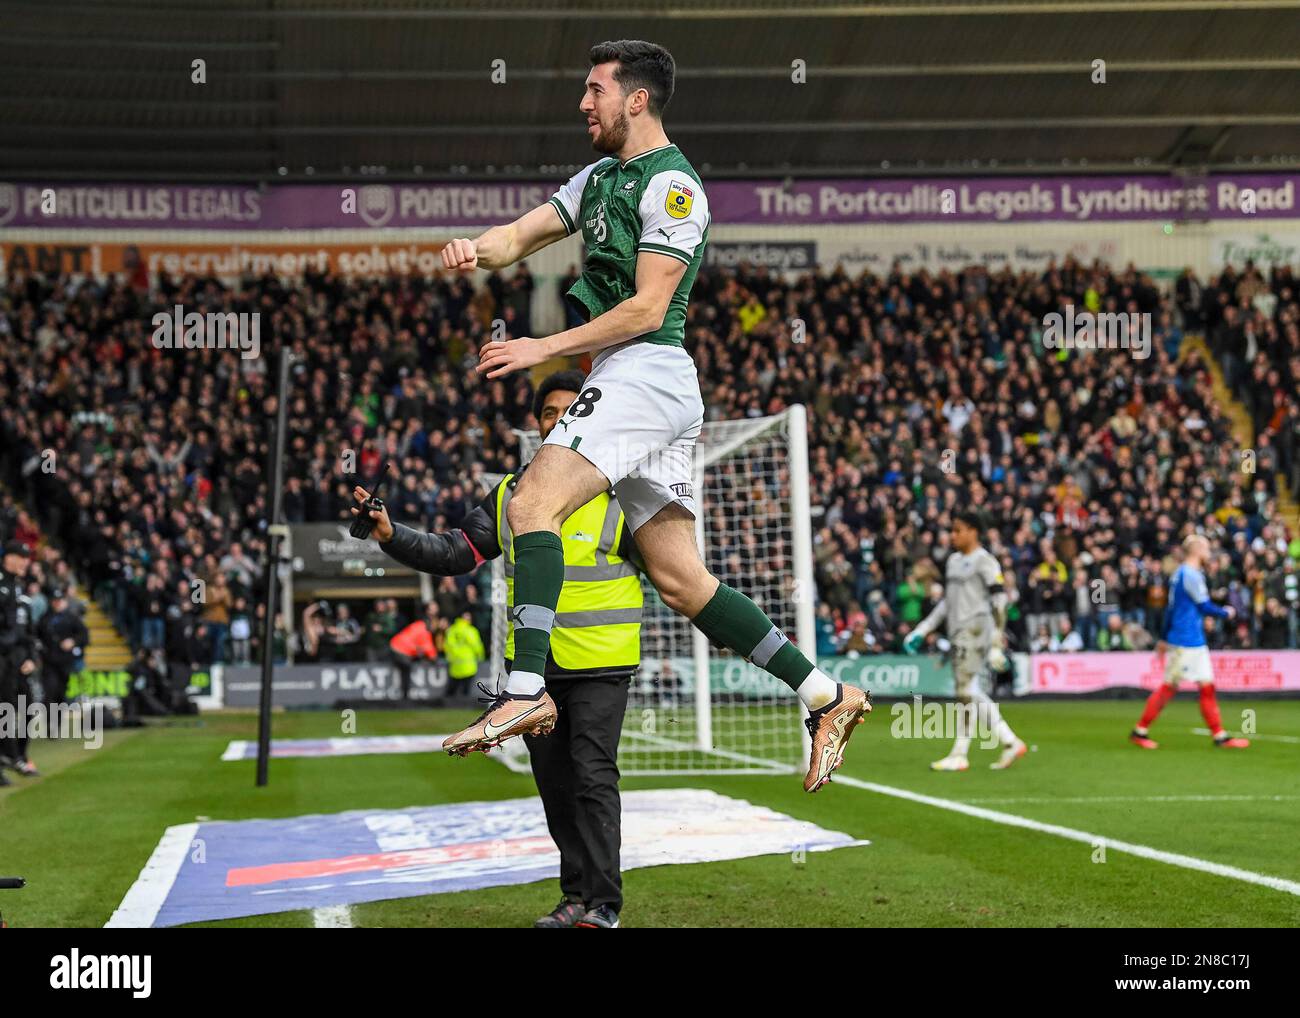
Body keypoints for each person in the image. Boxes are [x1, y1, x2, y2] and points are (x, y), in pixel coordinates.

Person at [437, 39, 869, 793]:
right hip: (643, 382)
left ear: (635, 99)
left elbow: (646, 307)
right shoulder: (600, 177)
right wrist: (475, 248)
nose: (583, 103)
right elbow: (520, 235)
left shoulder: (674, 187)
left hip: (645, 368)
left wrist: (543, 347)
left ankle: (522, 692)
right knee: (679, 579)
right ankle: (825, 694)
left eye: (594, 89)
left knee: (535, 502)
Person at [354, 370, 644, 929]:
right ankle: (575, 898)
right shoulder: (513, 493)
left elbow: (671, 569)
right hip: (530, 676)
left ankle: (604, 905)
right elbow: (455, 551)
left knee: (591, 775)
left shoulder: (620, 493)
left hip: (603, 666)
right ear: (536, 425)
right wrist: (392, 534)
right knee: (557, 788)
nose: (557, 418)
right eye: (547, 412)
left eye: (569, 408)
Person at [902, 510, 1027, 771]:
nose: (953, 535)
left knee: (965, 691)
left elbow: (1000, 600)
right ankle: (1004, 742)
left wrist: (995, 639)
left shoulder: (986, 561)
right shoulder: (953, 562)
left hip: (976, 632)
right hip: (959, 633)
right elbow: (948, 603)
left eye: (958, 530)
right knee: (967, 692)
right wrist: (922, 630)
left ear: (973, 531)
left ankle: (969, 751)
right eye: (952, 530)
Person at [1131, 534, 1250, 750]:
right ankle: (1140, 731)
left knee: (1207, 686)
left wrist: (1164, 637)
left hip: (1192, 639)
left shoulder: (1180, 575)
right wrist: (1227, 612)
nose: (1208, 553)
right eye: (1206, 548)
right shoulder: (1190, 575)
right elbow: (1204, 605)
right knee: (1169, 686)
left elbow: (1172, 609)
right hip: (1184, 641)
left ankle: (1219, 735)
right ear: (1196, 550)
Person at [0, 541, 41, 781]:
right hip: (4, 657)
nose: (26, 562)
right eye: (22, 557)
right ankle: (11, 757)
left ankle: (18, 755)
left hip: (16, 658)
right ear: (10, 558)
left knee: (29, 704)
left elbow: (25, 631)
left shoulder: (17, 589)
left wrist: (30, 656)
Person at [443, 610, 486, 702]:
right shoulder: (471, 630)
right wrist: (481, 656)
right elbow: (476, 645)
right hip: (468, 664)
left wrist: (450, 657)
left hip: (455, 664)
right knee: (465, 690)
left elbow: (447, 645)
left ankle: (447, 705)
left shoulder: (452, 630)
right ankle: (464, 705)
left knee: (452, 689)